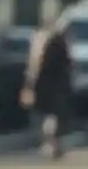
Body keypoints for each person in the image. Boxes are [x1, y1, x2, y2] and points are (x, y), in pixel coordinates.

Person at [20, 22, 74, 160]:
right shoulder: (59, 42)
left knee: (47, 114)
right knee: (53, 114)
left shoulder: (39, 41)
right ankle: (53, 144)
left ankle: (50, 144)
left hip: (43, 82)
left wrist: (29, 85)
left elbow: (33, 66)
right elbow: (69, 64)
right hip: (57, 83)